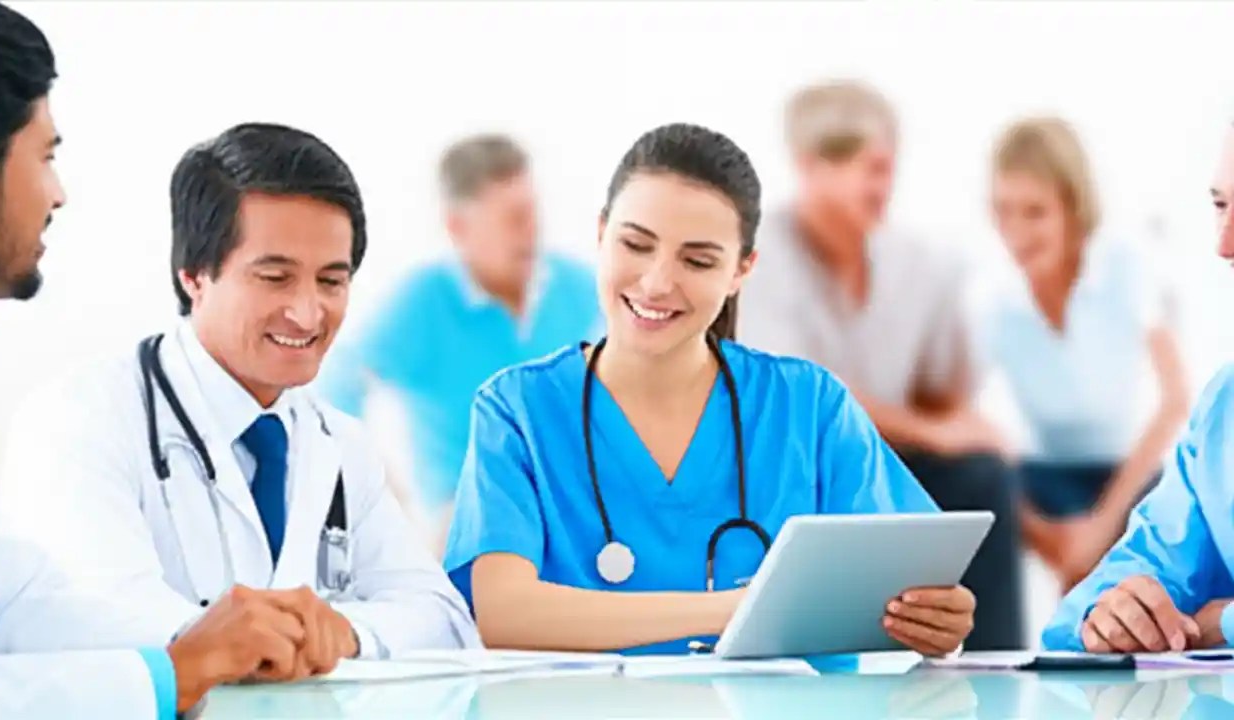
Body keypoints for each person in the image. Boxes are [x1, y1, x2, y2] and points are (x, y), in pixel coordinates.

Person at [443, 122, 976, 656]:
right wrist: (743, 607)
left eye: (697, 260)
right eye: (635, 244)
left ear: (742, 270)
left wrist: (940, 617)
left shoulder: (809, 407)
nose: (656, 282)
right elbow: (503, 614)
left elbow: (913, 580)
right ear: (601, 234)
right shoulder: (518, 409)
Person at [0, 3, 331, 716]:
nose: (58, 193)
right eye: (47, 156)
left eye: (332, 278)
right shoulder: (79, 411)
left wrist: (221, 639)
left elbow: (16, 602)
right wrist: (173, 674)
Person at [0, 122, 481, 661]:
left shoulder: (340, 444)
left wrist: (343, 633)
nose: (306, 312)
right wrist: (251, 642)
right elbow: (87, 614)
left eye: (331, 281)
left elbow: (442, 617)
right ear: (194, 275)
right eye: (275, 278)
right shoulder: (81, 419)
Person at [738, 80, 1023, 650]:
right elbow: (811, 392)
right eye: (867, 169)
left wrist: (964, 417)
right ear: (810, 167)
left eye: (888, 168)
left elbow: (941, 391)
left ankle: (997, 665)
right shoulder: (759, 257)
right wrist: (935, 433)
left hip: (889, 461)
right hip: (796, 465)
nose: (882, 186)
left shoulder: (917, 261)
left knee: (983, 474)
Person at [320, 134, 600, 547]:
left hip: (572, 508)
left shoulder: (578, 287)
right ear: (458, 227)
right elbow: (336, 387)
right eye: (513, 219)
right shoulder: (422, 302)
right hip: (469, 517)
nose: (532, 232)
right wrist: (378, 498)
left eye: (533, 213)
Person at [1043, 121, 1234, 654]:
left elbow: (1210, 625)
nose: (1225, 246)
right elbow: (1134, 571)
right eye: (1221, 206)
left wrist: (1226, 622)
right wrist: (1110, 615)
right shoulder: (1226, 406)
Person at [980, 117, 1188, 591]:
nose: (1016, 233)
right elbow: (970, 418)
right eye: (1003, 211)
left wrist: (1098, 528)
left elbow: (1175, 401)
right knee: (976, 480)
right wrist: (1043, 534)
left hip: (1129, 473)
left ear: (1074, 209)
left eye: (1035, 212)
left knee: (1165, 515)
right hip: (1045, 478)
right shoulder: (992, 297)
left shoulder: (1126, 264)